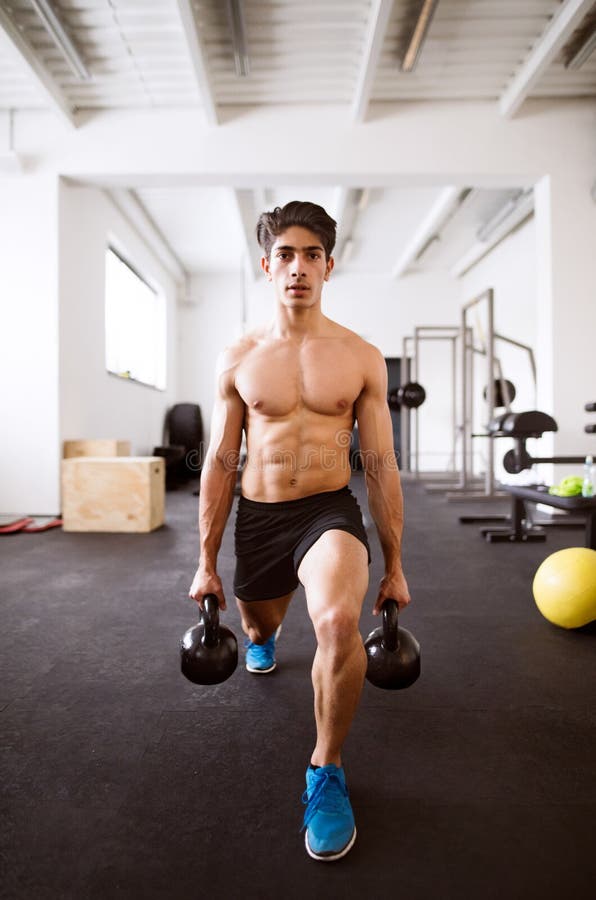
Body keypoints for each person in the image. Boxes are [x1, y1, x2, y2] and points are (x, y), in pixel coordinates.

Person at [189, 200, 411, 862]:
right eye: (285, 255)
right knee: (259, 630)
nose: (298, 268)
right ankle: (266, 634)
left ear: (328, 266)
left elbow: (377, 462)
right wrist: (206, 561)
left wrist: (395, 563)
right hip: (259, 517)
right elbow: (222, 461)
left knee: (340, 625)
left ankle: (326, 769)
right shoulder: (240, 356)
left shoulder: (361, 357)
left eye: (311, 255)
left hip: (326, 511)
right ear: (267, 266)